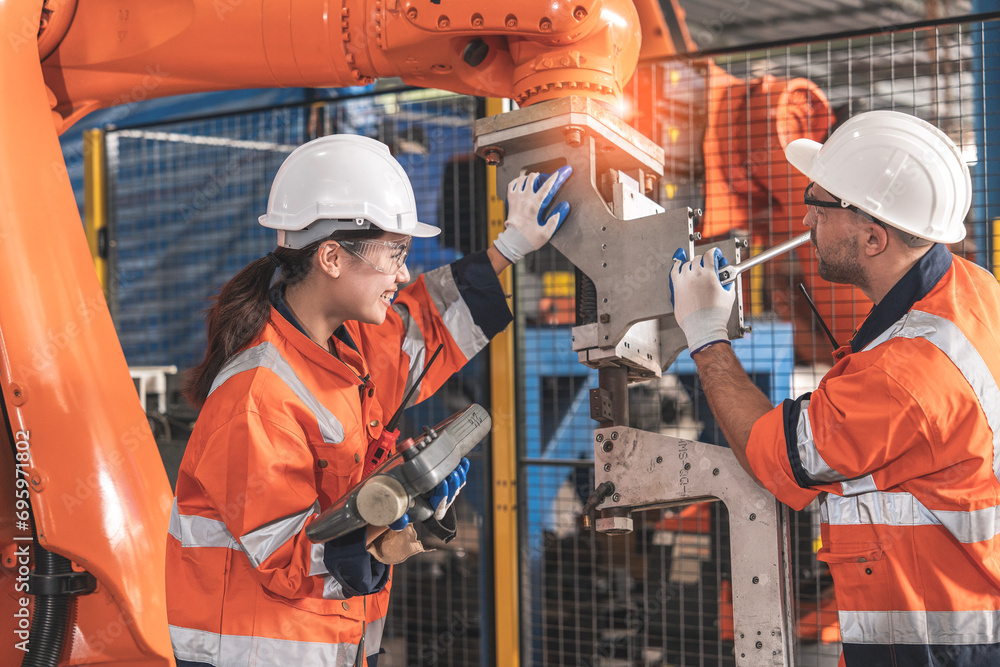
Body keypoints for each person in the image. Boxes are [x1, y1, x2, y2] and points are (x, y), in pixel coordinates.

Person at [165, 134, 572, 667]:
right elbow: (292, 560)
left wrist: (511, 246)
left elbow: (425, 325)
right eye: (395, 253)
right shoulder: (257, 396)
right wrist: (393, 512)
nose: (403, 273)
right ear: (332, 256)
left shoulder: (347, 347)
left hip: (337, 646)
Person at [668, 110, 1000, 666]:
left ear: (873, 237)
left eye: (819, 206)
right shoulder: (973, 289)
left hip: (936, 647)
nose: (806, 218)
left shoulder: (902, 376)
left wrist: (705, 335)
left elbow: (772, 454)